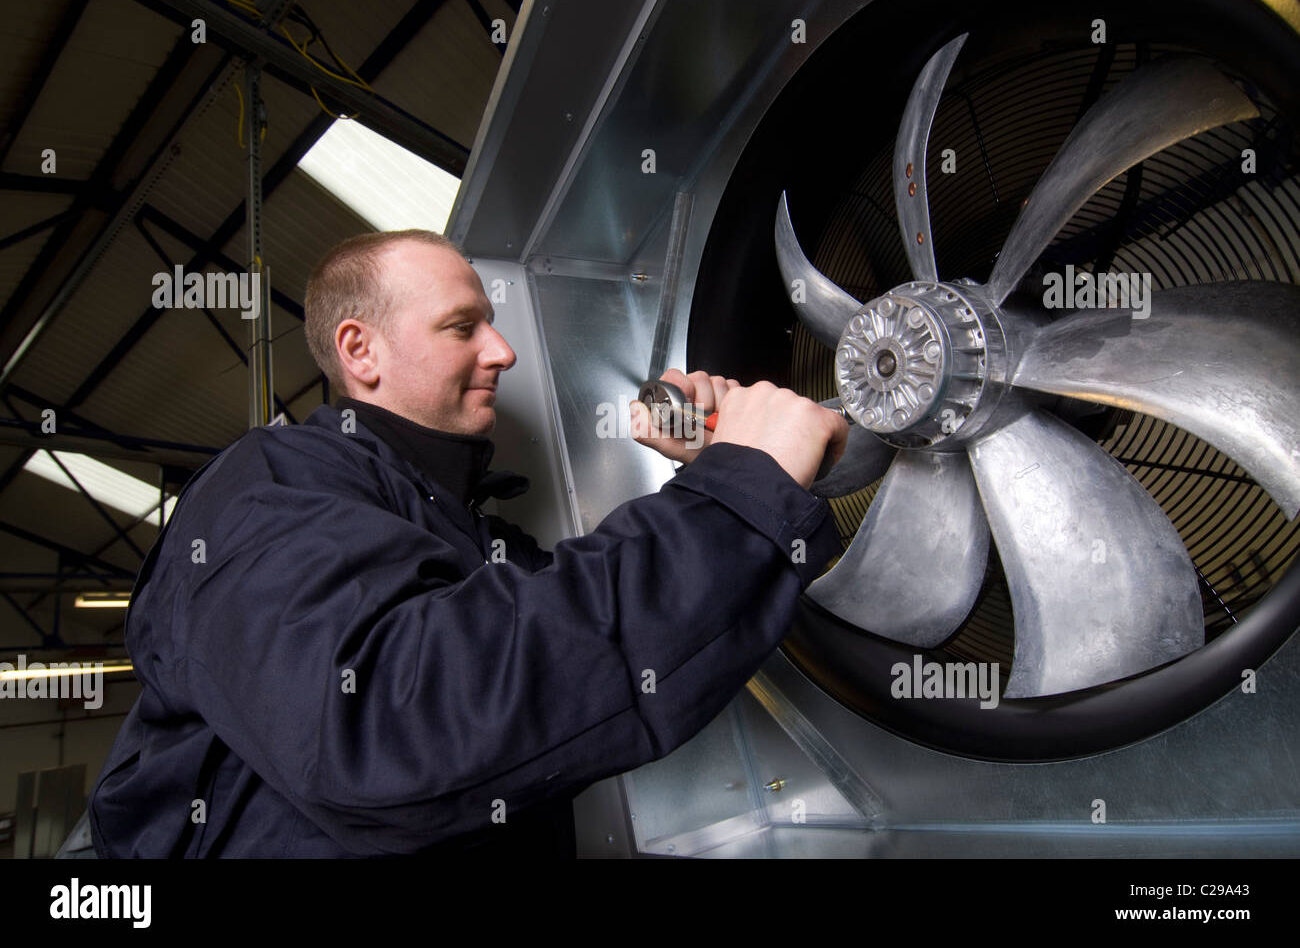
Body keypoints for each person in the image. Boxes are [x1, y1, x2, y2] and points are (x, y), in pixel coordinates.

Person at [83, 229, 848, 857]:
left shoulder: (475, 540)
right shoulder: (268, 488)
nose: (503, 351)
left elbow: (604, 654)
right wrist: (741, 489)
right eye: (462, 326)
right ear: (361, 352)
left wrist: (720, 468)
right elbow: (390, 726)